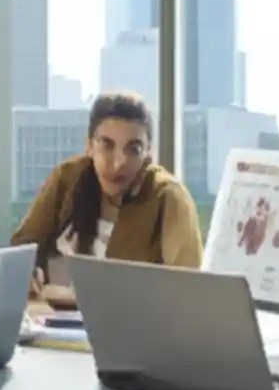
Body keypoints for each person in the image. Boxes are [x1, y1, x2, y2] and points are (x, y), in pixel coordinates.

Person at [12, 92, 203, 306]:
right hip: (52, 321)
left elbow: (188, 288)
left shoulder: (168, 197)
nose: (119, 162)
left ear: (149, 152)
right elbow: (22, 249)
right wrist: (26, 273)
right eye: (107, 145)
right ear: (89, 145)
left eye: (134, 149)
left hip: (133, 326)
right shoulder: (67, 178)